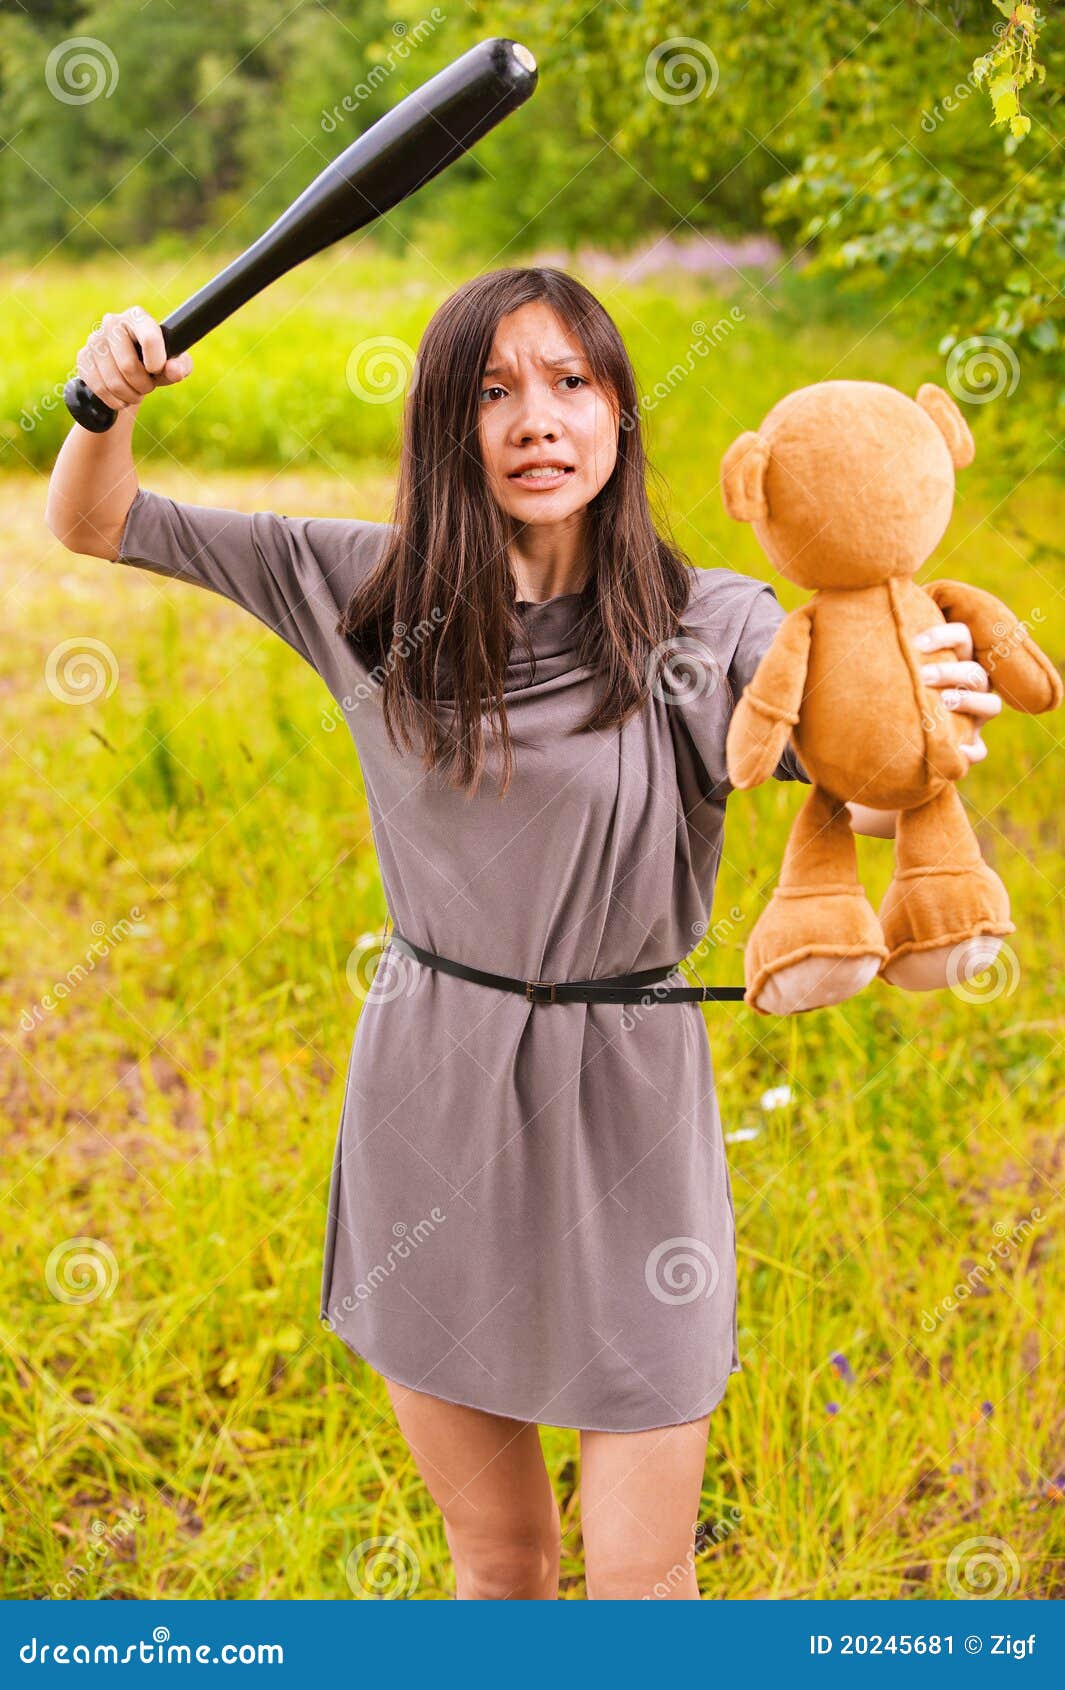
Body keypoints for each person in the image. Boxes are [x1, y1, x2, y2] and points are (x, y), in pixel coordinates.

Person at [45, 268, 999, 1600]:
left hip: (629, 1118)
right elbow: (99, 522)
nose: (536, 419)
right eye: (491, 392)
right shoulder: (360, 591)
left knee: (641, 1583)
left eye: (569, 382)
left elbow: (860, 759)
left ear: (617, 413)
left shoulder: (704, 618)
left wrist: (921, 723)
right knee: (499, 1565)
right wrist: (102, 399)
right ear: (446, 426)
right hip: (433, 1102)